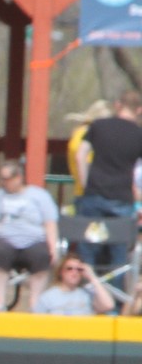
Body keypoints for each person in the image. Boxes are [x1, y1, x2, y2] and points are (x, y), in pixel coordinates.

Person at [0, 159, 61, 312]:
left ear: (18, 177)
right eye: (2, 179)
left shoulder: (40, 196)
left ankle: (35, 303)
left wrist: (53, 247)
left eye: (7, 179)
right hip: (6, 240)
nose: (4, 183)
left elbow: (50, 223)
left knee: (42, 255)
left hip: (34, 240)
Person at [77, 90, 142, 271]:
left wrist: (85, 184)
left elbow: (80, 154)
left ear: (117, 105)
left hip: (94, 194)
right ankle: (116, 296)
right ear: (139, 110)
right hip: (122, 197)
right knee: (119, 252)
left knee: (88, 248)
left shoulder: (98, 126)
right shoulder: (138, 134)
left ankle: (88, 290)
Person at [34, 252, 117, 316]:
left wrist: (92, 277)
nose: (74, 272)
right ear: (61, 272)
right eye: (69, 269)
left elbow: (108, 305)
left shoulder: (87, 294)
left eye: (79, 269)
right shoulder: (48, 297)